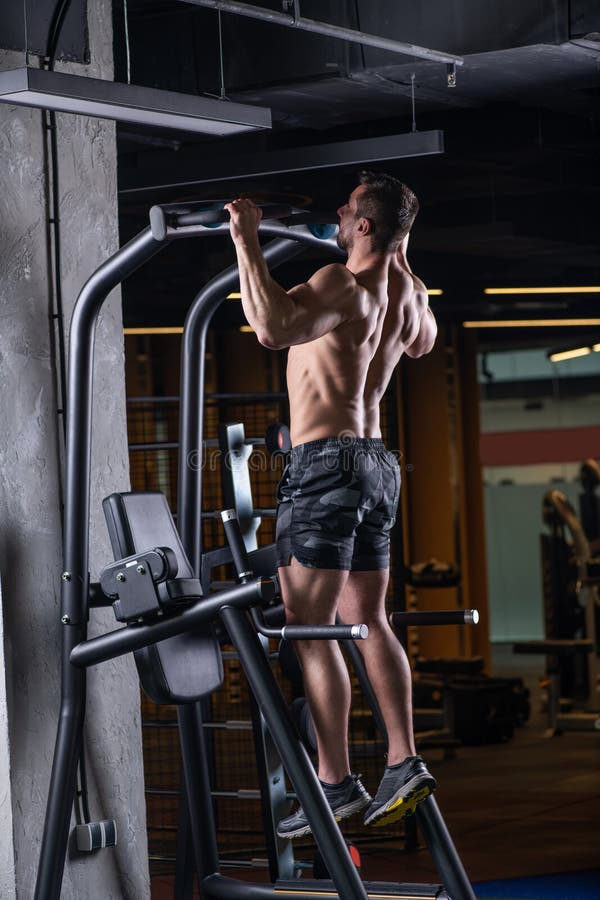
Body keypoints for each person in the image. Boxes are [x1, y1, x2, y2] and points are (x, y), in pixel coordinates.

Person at [225, 171, 438, 840]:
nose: (337, 220)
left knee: (308, 626)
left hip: (325, 464)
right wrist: (396, 258)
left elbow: (271, 327)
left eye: (346, 214)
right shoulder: (409, 291)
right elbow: (423, 342)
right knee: (368, 618)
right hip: (378, 463)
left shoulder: (340, 282)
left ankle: (334, 780)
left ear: (365, 228)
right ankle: (403, 761)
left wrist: (245, 239)